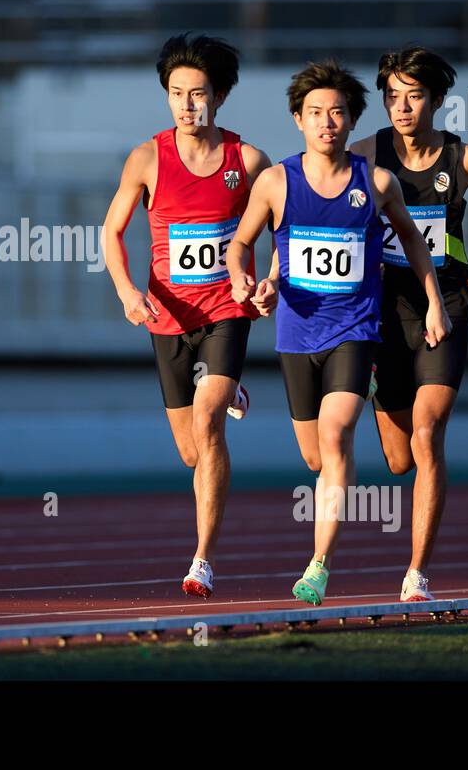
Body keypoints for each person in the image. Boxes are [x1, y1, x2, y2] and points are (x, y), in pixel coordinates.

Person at [227, 60, 448, 606]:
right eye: (316, 113)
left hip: (356, 329)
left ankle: (319, 565)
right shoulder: (276, 182)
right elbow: (238, 243)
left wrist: (435, 303)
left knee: (337, 432)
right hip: (297, 335)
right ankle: (345, 416)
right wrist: (244, 281)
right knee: (314, 457)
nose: (327, 122)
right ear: (297, 119)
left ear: (352, 122)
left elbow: (415, 244)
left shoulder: (375, 182)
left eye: (338, 113)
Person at [102, 33, 271, 598]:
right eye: (176, 93)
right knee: (191, 452)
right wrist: (127, 290)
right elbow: (112, 230)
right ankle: (230, 393)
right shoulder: (147, 158)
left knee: (209, 419)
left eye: (197, 94)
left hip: (228, 307)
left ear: (220, 96)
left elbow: (287, 231)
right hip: (167, 315)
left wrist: (266, 281)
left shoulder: (247, 161)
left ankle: (202, 560)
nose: (186, 105)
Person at [350, 47, 468, 601]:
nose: (401, 107)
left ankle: (416, 574)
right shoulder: (365, 154)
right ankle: (380, 387)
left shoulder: (464, 160)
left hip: (445, 306)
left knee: (428, 435)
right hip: (383, 312)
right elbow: (315, 193)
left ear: (438, 101)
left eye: (414, 96)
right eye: (392, 96)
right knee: (399, 460)